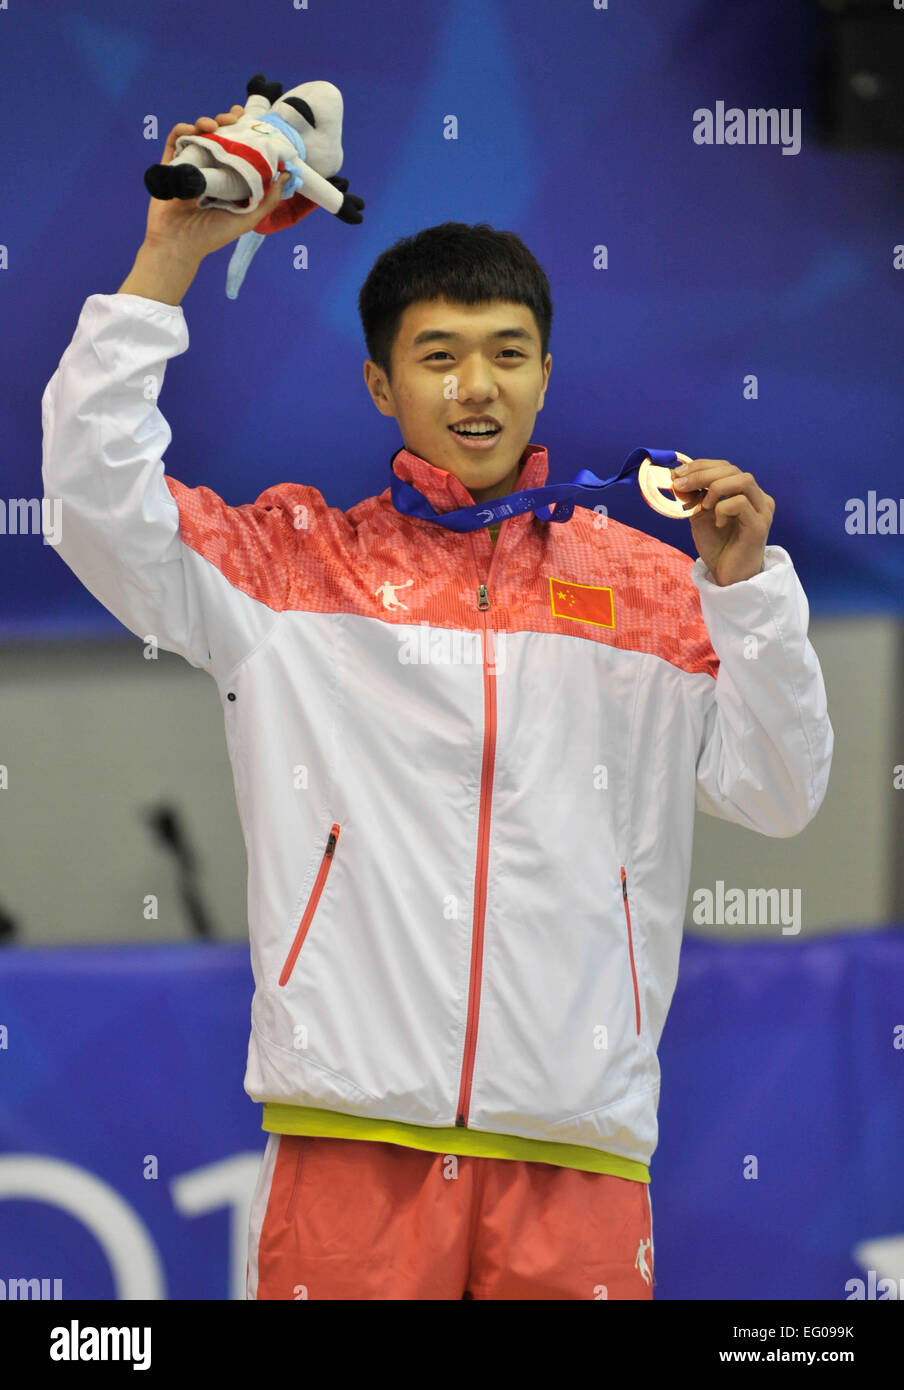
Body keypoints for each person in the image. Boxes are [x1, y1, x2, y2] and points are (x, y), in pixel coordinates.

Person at [41, 106, 834, 1301]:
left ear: (546, 373)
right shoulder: (287, 565)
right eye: (440, 354)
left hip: (578, 1156)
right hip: (346, 1146)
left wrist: (747, 595)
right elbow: (93, 500)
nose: (478, 386)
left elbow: (780, 795)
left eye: (509, 352)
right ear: (378, 382)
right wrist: (169, 258)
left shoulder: (658, 589)